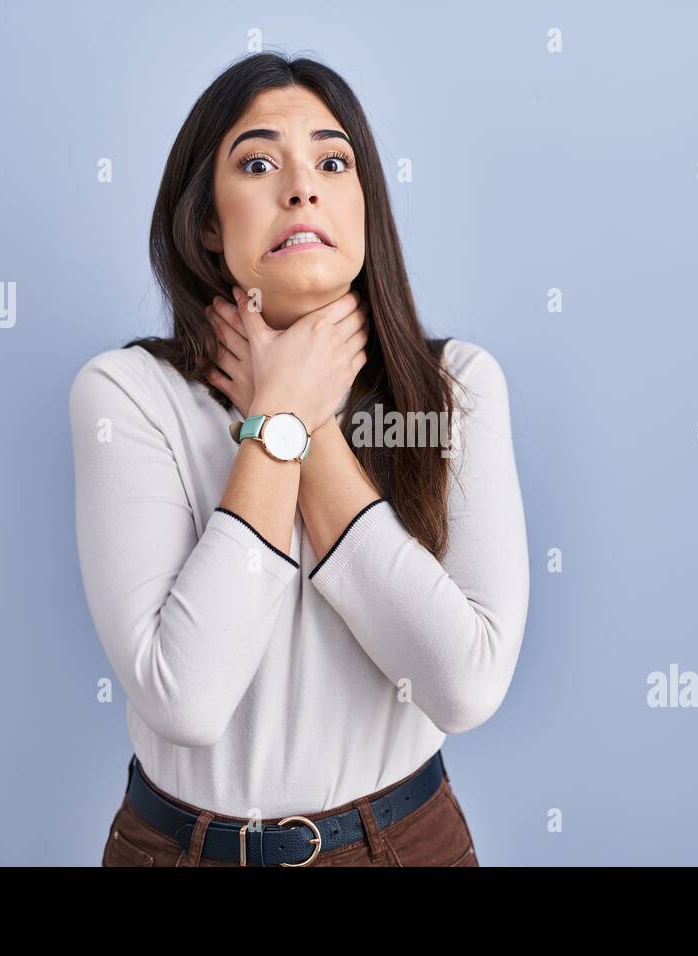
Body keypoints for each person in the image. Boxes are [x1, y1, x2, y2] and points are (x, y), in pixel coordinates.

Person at [68, 51, 529, 866]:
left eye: (331, 159)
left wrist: (295, 420)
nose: (301, 187)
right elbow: (188, 698)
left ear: (363, 204)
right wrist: (279, 418)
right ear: (208, 221)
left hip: (405, 844)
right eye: (256, 163)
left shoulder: (459, 387)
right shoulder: (126, 393)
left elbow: (463, 686)